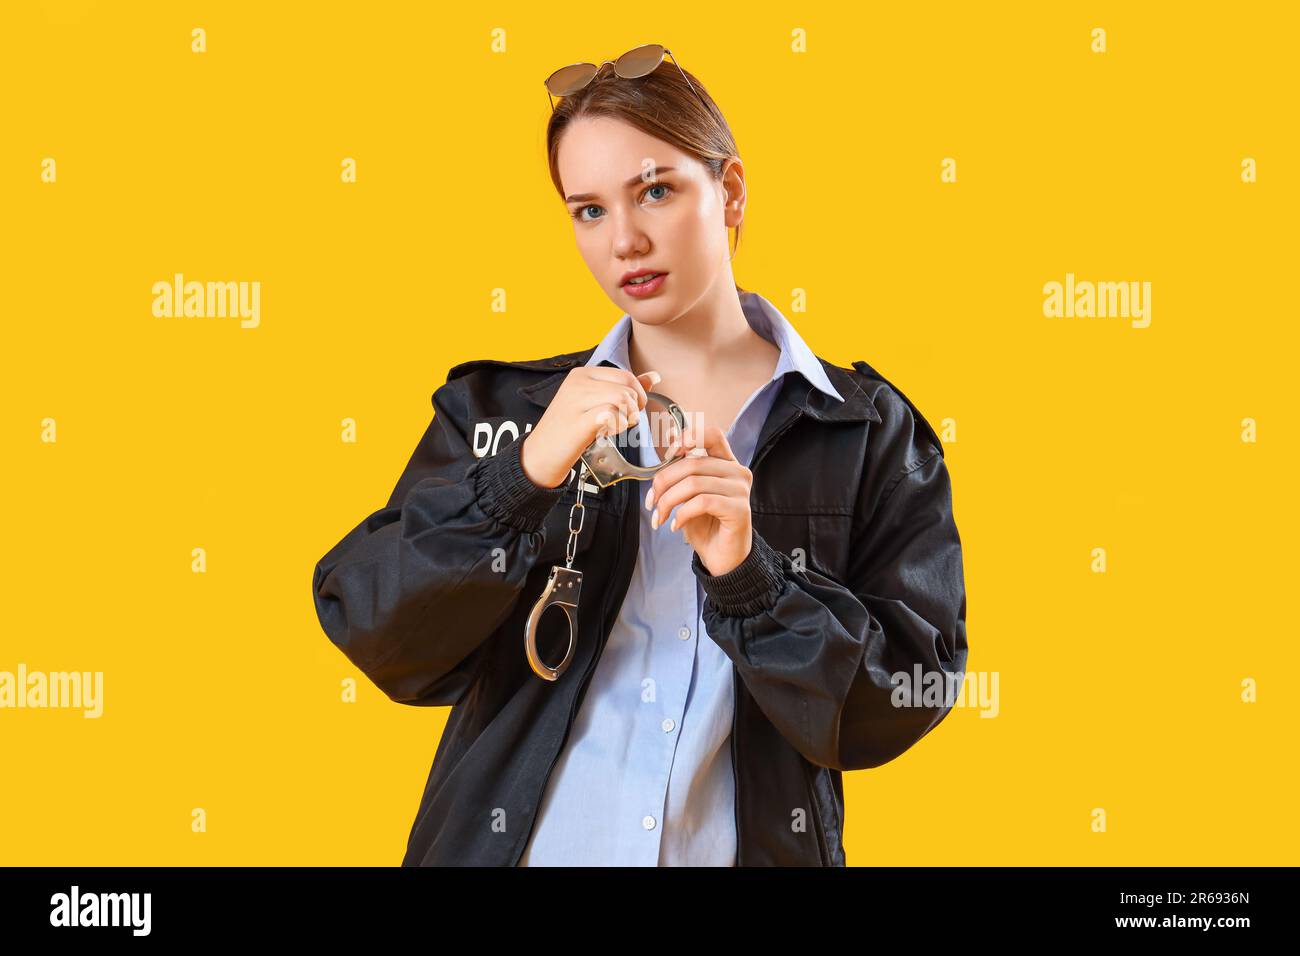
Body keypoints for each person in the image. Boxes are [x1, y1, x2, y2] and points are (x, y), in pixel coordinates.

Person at [311, 45, 968, 866]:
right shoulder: (502, 412)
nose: (623, 241)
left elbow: (902, 700)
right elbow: (376, 629)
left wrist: (751, 577)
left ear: (728, 193)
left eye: (654, 191)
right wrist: (520, 479)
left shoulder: (869, 433)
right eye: (588, 209)